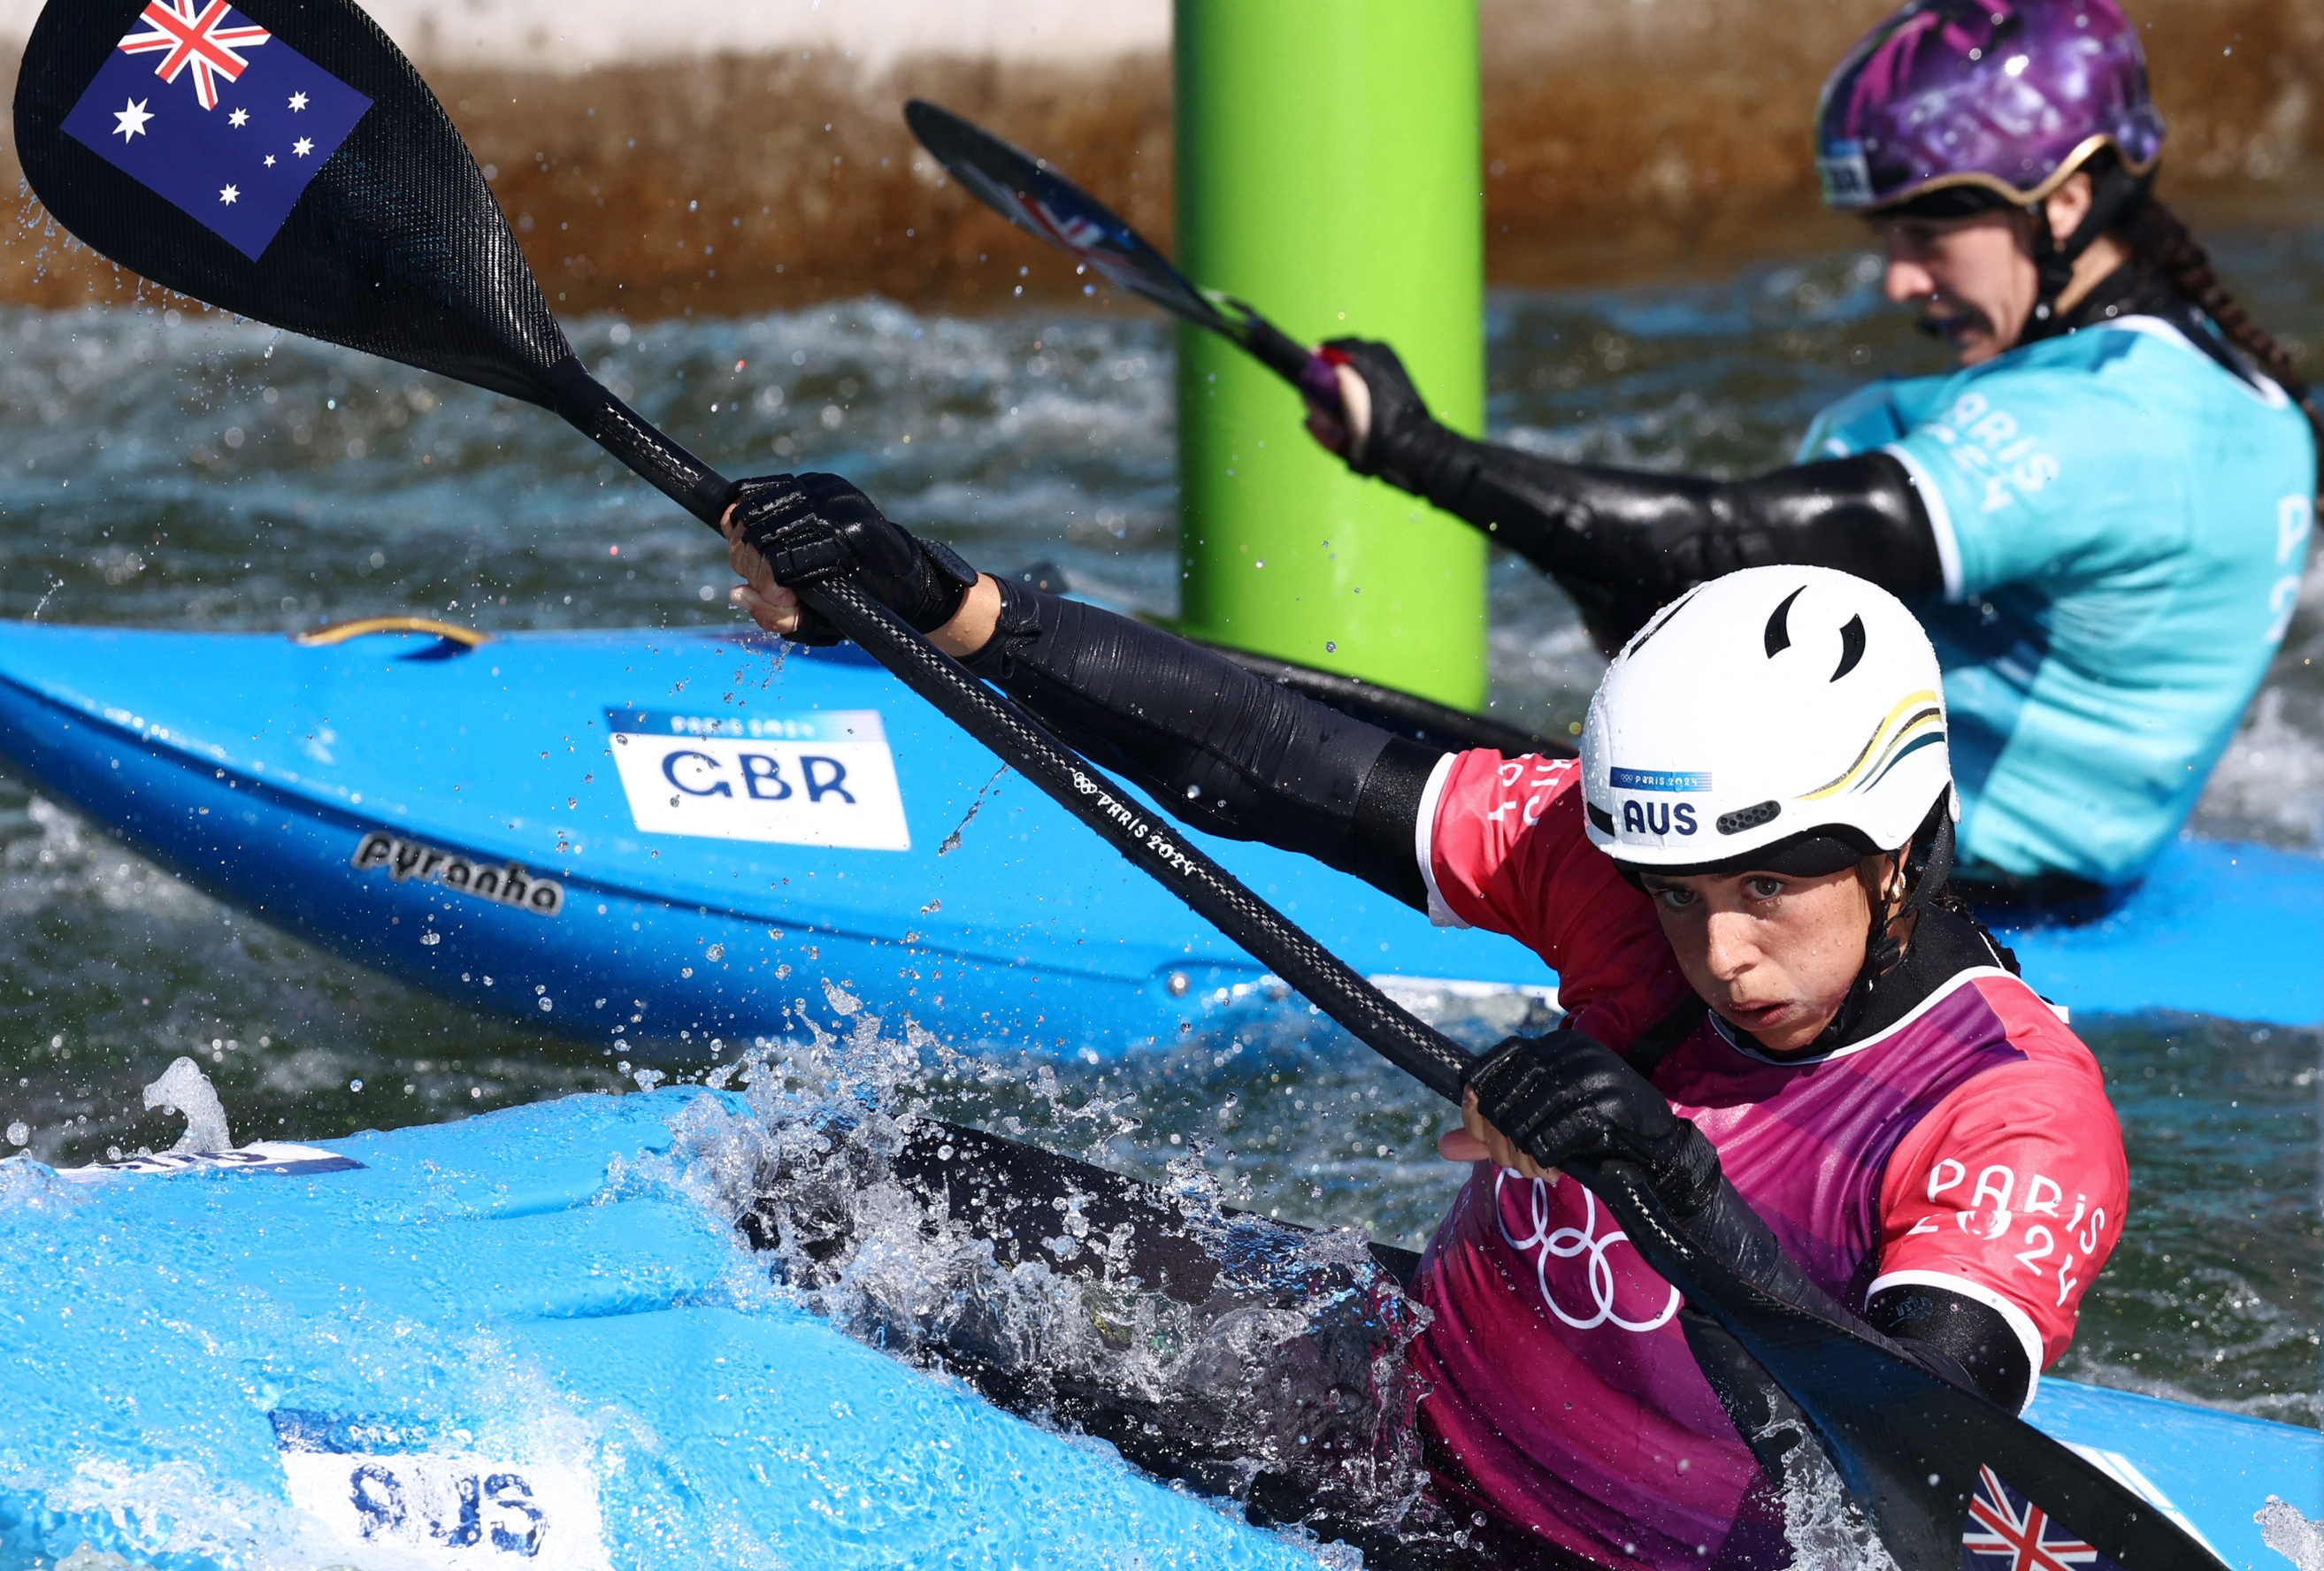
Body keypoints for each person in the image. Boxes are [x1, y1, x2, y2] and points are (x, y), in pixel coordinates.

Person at [718, 471, 2131, 1569]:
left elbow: (1902, 1487)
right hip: (1396, 1393)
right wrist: (950, 604)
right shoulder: (1618, 879)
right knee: (836, 1181)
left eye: (1769, 886)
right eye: (1673, 892)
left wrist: (1679, 1193)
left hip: (1621, 1552)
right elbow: (1276, 765)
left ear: (1903, 847)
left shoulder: (2012, 1111)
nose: (1715, 949)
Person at [1300, 0, 2316, 895]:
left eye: (1927, 234)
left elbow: (1725, 544)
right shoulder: (2229, 390)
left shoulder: (2102, 428)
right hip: (2037, 865)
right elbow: (1709, 586)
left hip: (1927, 896)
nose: (1898, 282)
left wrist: (1415, 451)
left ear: (2062, 198)